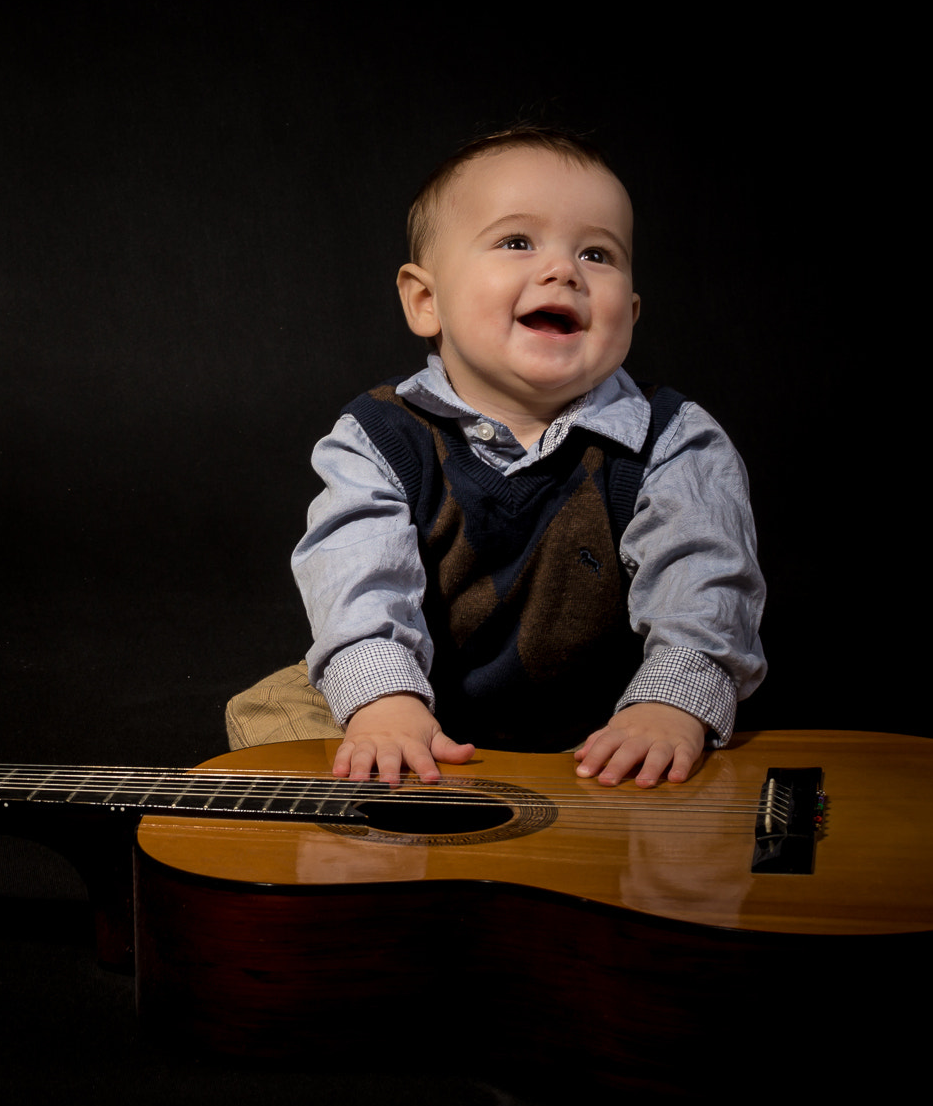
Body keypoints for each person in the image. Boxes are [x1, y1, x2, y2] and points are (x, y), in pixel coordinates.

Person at [225, 125, 765, 790]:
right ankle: (402, 807)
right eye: (517, 242)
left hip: (605, 716)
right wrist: (384, 703)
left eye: (597, 253)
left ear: (628, 312)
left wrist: (672, 701)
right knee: (272, 713)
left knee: (693, 735)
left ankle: (627, 765)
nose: (564, 270)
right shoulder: (379, 438)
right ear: (427, 300)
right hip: (425, 700)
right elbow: (358, 582)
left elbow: (707, 578)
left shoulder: (673, 439)